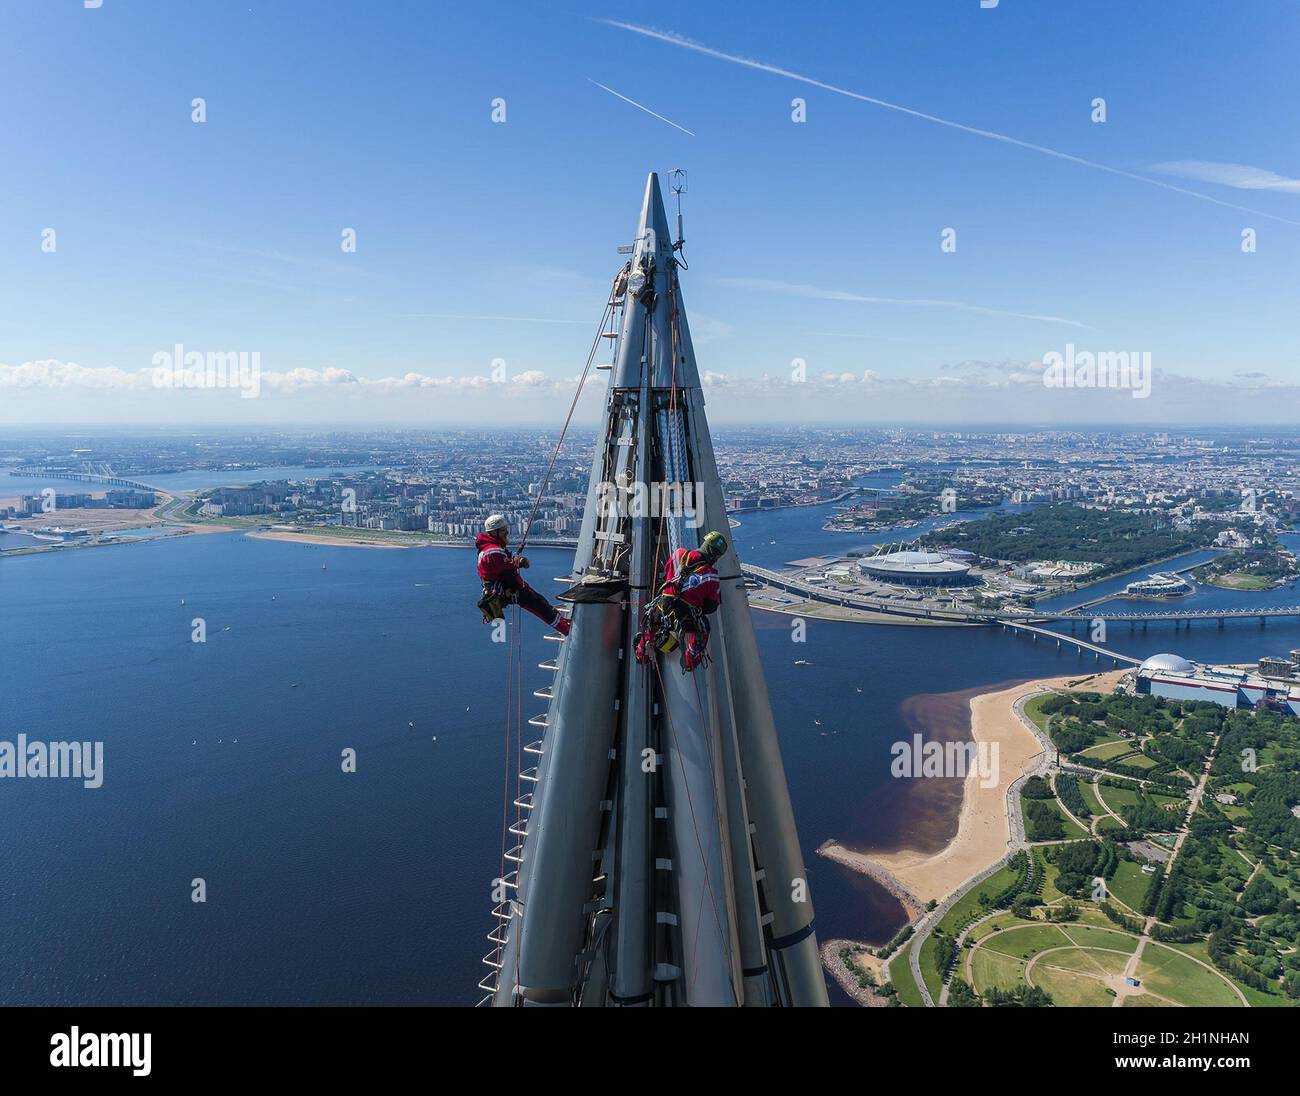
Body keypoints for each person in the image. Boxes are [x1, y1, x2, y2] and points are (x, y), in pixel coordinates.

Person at [635, 530, 727, 671]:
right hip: (685, 617)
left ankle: (641, 654)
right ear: (715, 555)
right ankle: (690, 661)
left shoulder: (679, 553)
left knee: (653, 624)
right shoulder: (711, 575)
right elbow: (711, 607)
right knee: (703, 629)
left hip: (663, 606)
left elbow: (667, 571)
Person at [475, 515, 570, 636]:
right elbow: (505, 566)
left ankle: (562, 623)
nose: (507, 533)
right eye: (503, 530)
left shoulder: (490, 548)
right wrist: (519, 562)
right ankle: (565, 628)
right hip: (507, 589)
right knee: (539, 606)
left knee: (540, 601)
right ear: (494, 532)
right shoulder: (492, 551)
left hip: (505, 588)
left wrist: (515, 560)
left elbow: (504, 561)